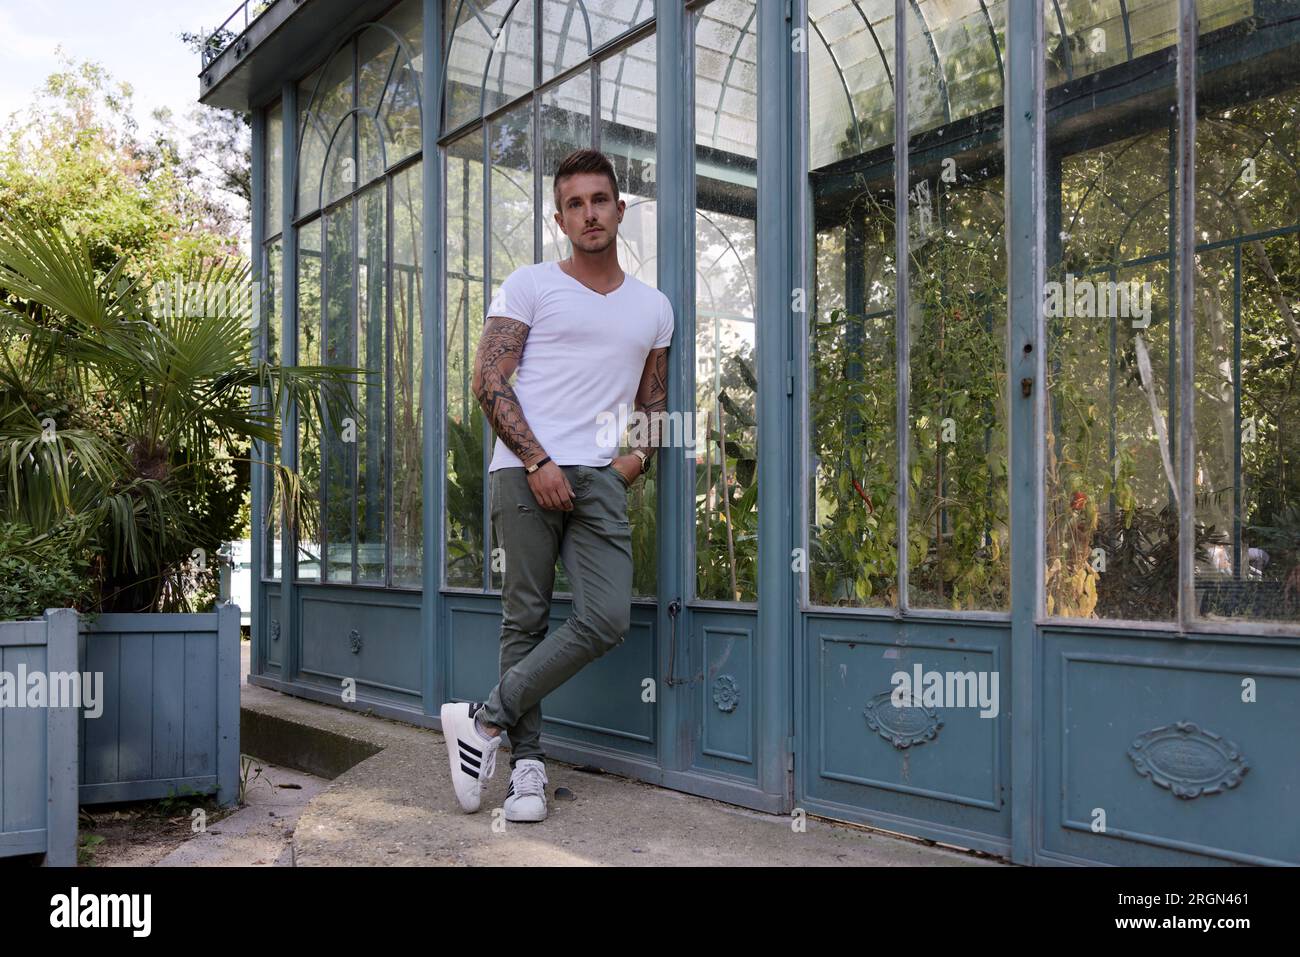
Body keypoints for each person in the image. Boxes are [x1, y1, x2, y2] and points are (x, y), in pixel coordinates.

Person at [440, 148, 672, 822]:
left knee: (606, 616)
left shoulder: (654, 308)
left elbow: (654, 410)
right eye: (575, 203)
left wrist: (624, 468)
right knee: (527, 617)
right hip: (523, 469)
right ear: (559, 216)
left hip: (598, 477)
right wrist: (538, 461)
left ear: (620, 209)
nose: (589, 213)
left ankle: (483, 721)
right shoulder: (531, 286)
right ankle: (527, 770)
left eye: (600, 199)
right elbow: (489, 379)